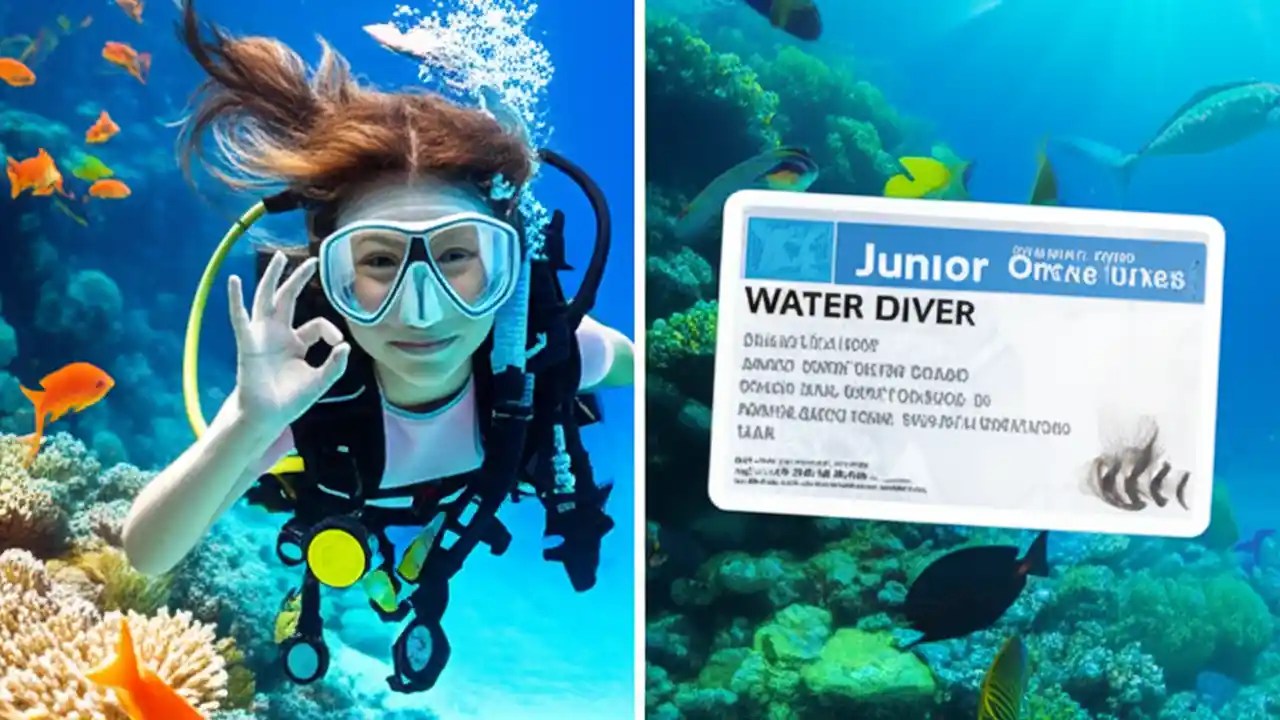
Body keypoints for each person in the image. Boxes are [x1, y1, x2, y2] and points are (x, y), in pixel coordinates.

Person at [122, 1, 633, 693]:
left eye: (458, 256)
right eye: (378, 263)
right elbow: (149, 553)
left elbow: (636, 362)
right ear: (330, 278)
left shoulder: (544, 349)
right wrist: (249, 425)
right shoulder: (302, 391)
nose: (421, 312)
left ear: (507, 269)